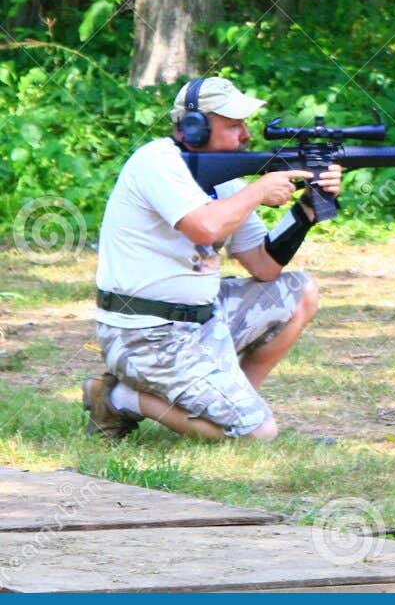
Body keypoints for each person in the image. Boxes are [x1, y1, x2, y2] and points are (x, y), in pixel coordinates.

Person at [84, 76, 341, 442]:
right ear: (194, 128)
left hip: (202, 321)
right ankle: (119, 398)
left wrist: (307, 210)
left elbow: (264, 266)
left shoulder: (225, 181)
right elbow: (205, 227)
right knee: (260, 435)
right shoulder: (156, 162)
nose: (246, 134)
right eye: (233, 125)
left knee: (302, 291)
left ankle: (237, 407)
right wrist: (258, 190)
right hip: (145, 335)